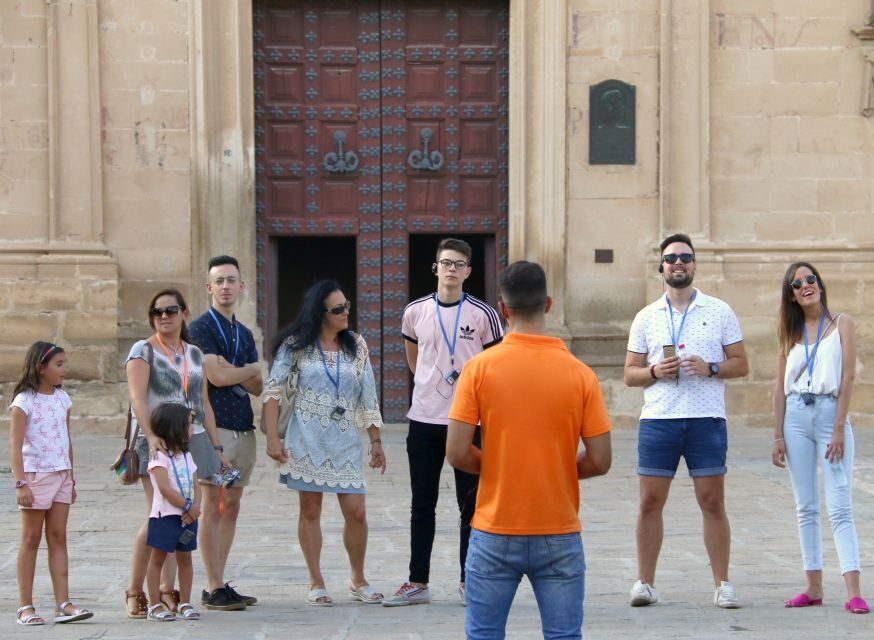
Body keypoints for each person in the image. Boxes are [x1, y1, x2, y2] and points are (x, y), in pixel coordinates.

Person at [446, 260, 612, 640]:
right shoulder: (580, 374)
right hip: (558, 527)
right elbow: (600, 460)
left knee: (484, 634)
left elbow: (456, 453)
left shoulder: (479, 369)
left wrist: (498, 467)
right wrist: (558, 468)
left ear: (503, 309)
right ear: (548, 304)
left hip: (493, 526)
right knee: (564, 635)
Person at [624, 233, 749, 609]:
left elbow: (741, 364)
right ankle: (645, 583)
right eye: (671, 258)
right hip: (659, 419)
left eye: (685, 258)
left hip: (705, 419)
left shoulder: (719, 310)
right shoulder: (646, 316)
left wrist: (710, 367)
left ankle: (722, 583)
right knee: (649, 502)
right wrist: (655, 371)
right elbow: (630, 374)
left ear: (694, 265)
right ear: (661, 267)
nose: (678, 263)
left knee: (712, 502)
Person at [385, 237, 503, 607]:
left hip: (470, 422)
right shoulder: (415, 311)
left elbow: (494, 367)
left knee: (472, 504)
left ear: (469, 271)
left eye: (458, 264)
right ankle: (417, 580)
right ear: (436, 268)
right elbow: (413, 360)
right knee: (423, 503)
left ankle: (471, 579)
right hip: (424, 420)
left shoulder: (483, 315)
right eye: (445, 263)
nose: (451, 269)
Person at [262, 280, 387, 606]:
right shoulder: (295, 346)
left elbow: (368, 395)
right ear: (320, 313)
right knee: (311, 509)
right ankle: (316, 581)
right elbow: (273, 392)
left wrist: (376, 441)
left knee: (357, 512)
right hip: (306, 435)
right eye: (338, 309)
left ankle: (358, 579)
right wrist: (273, 437)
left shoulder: (356, 346)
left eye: (347, 306)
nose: (346, 313)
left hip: (345, 438)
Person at [124, 288, 230, 618]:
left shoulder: (195, 354)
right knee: (160, 515)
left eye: (171, 310)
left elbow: (204, 404)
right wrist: (153, 435)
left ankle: (168, 592)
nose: (164, 317)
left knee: (182, 518)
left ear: (184, 312)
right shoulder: (143, 350)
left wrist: (216, 446)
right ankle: (134, 590)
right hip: (157, 440)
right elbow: (138, 398)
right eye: (157, 312)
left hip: (193, 440)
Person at [772, 262, 869, 614]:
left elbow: (847, 379)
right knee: (806, 506)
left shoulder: (841, 323)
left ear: (820, 285)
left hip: (830, 414)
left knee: (840, 502)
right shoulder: (789, 332)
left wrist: (840, 426)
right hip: (796, 416)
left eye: (810, 279)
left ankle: (853, 590)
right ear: (792, 296)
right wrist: (776, 435)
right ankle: (813, 587)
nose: (805, 285)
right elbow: (779, 389)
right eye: (797, 284)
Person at [189, 255, 263, 610]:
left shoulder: (244, 333)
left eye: (231, 280)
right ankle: (213, 584)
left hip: (244, 429)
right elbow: (215, 377)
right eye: (219, 281)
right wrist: (244, 369)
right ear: (209, 287)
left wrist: (237, 369)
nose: (225, 287)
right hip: (214, 429)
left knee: (231, 506)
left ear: (241, 286)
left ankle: (220, 581)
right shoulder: (201, 328)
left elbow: (259, 385)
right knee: (212, 507)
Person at [9, 342, 94, 626]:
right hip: (35, 476)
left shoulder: (63, 399)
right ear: (40, 368)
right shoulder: (24, 401)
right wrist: (21, 483)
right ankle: (25, 606)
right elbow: (15, 445)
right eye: (59, 364)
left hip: (60, 475)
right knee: (31, 539)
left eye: (65, 363)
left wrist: (70, 478)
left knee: (58, 537)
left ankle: (64, 603)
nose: (65, 369)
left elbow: (66, 439)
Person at [145, 403, 203, 622]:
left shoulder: (187, 456)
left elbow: (197, 485)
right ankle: (154, 604)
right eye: (188, 424)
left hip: (188, 517)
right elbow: (164, 488)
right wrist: (188, 507)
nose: (191, 429)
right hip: (166, 516)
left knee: (185, 558)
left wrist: (195, 507)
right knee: (157, 559)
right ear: (173, 427)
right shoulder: (159, 457)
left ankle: (185, 601)